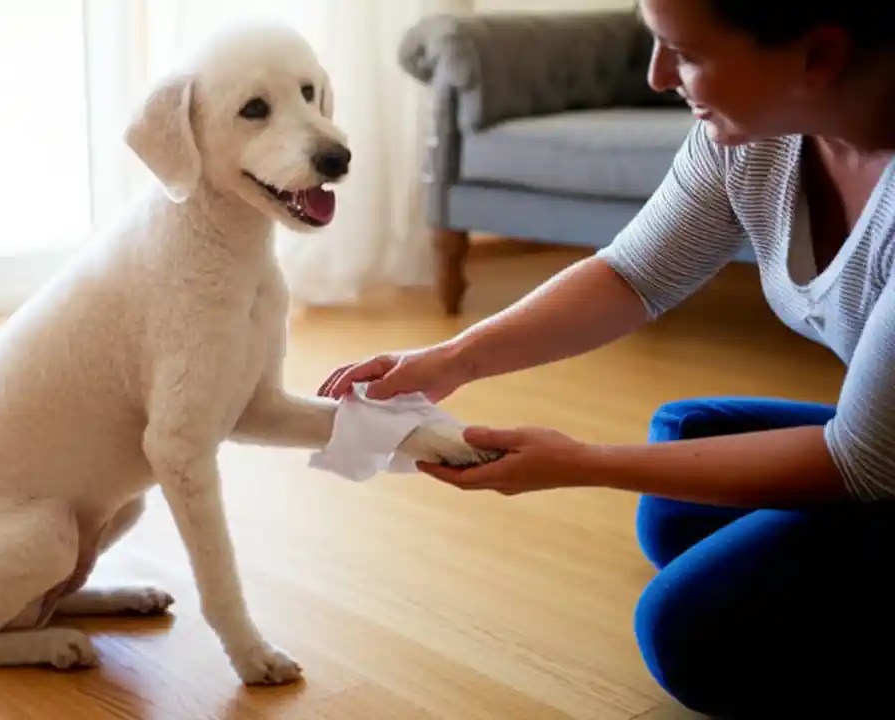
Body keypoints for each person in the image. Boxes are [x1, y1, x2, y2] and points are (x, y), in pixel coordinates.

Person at [318, 0, 894, 715]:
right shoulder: (757, 140)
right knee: (680, 466)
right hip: (878, 448)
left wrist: (580, 462)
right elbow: (634, 274)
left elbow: (860, 464)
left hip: (876, 462)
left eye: (684, 53)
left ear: (820, 58)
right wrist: (451, 359)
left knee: (686, 632)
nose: (656, 76)